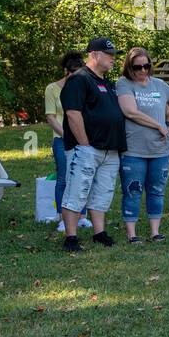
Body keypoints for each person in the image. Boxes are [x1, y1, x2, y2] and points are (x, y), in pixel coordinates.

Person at [59, 38, 127, 252]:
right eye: (109, 55)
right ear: (94, 55)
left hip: (110, 149)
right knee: (77, 191)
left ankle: (99, 232)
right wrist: (84, 144)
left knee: (103, 192)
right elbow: (73, 113)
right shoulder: (79, 80)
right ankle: (71, 236)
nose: (113, 59)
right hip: (87, 148)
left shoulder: (107, 82)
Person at [116, 47, 169, 243]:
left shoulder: (159, 84)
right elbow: (130, 112)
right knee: (132, 189)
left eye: (146, 66)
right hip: (134, 149)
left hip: (160, 149)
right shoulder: (124, 84)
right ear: (129, 67)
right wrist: (159, 125)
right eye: (138, 67)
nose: (143, 70)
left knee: (156, 190)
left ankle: (155, 231)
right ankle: (132, 233)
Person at [45, 51, 90, 233]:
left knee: (83, 177)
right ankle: (63, 217)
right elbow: (51, 117)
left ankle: (82, 216)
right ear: (65, 71)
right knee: (64, 178)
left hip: (83, 138)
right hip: (61, 139)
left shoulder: (85, 87)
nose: (76, 76)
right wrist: (66, 135)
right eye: (73, 72)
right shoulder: (52, 89)